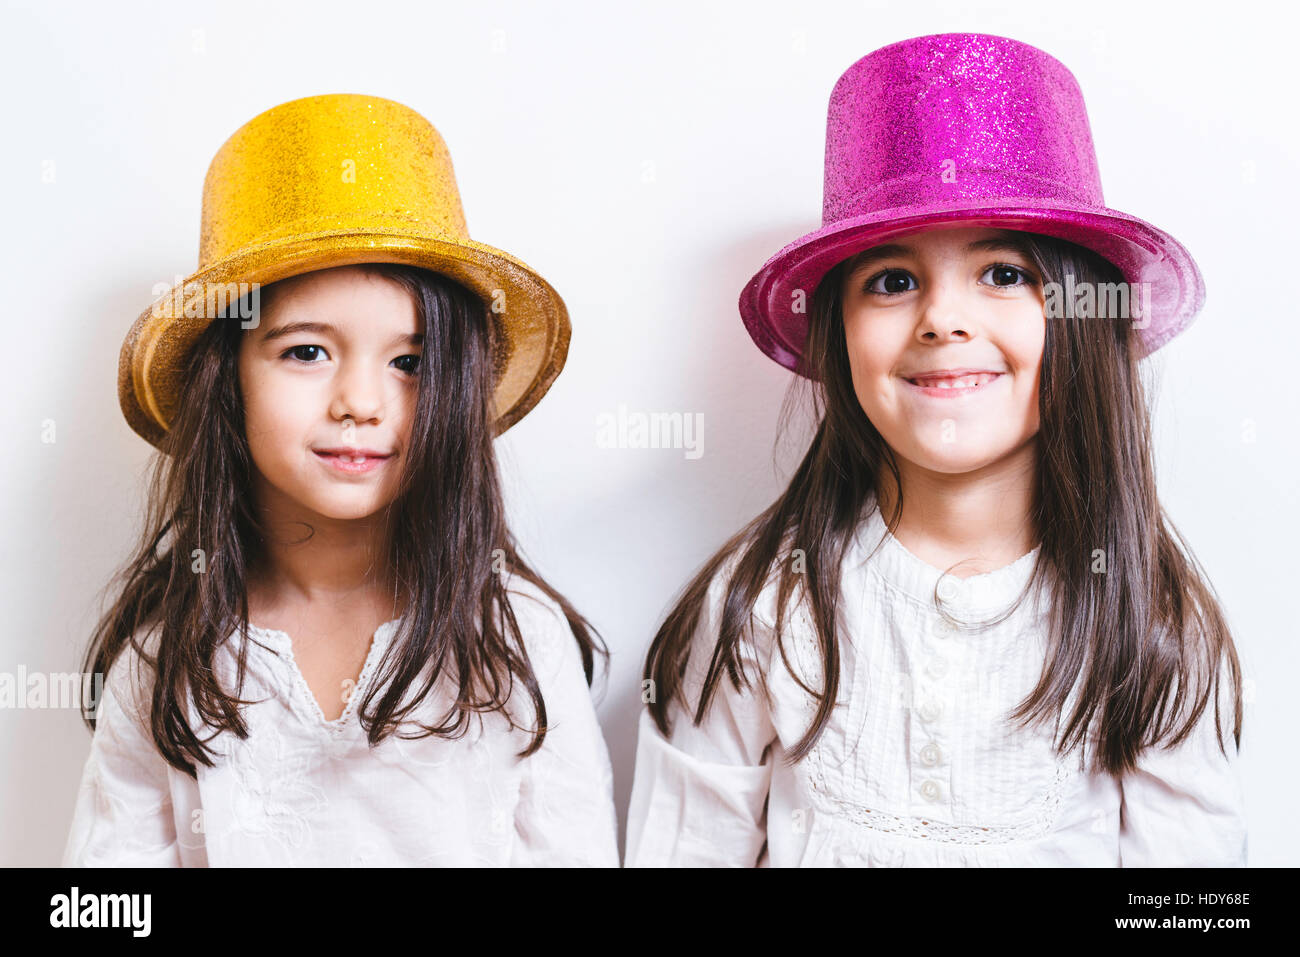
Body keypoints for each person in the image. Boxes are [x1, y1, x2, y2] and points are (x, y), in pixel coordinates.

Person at [625, 33, 1247, 867]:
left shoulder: (1150, 621)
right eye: (892, 280)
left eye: (1004, 273)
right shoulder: (760, 608)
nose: (943, 320)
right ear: (839, 333)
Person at [63, 94, 619, 866]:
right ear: (229, 378)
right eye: (306, 352)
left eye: (409, 363)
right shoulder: (165, 663)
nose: (360, 402)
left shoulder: (517, 640)